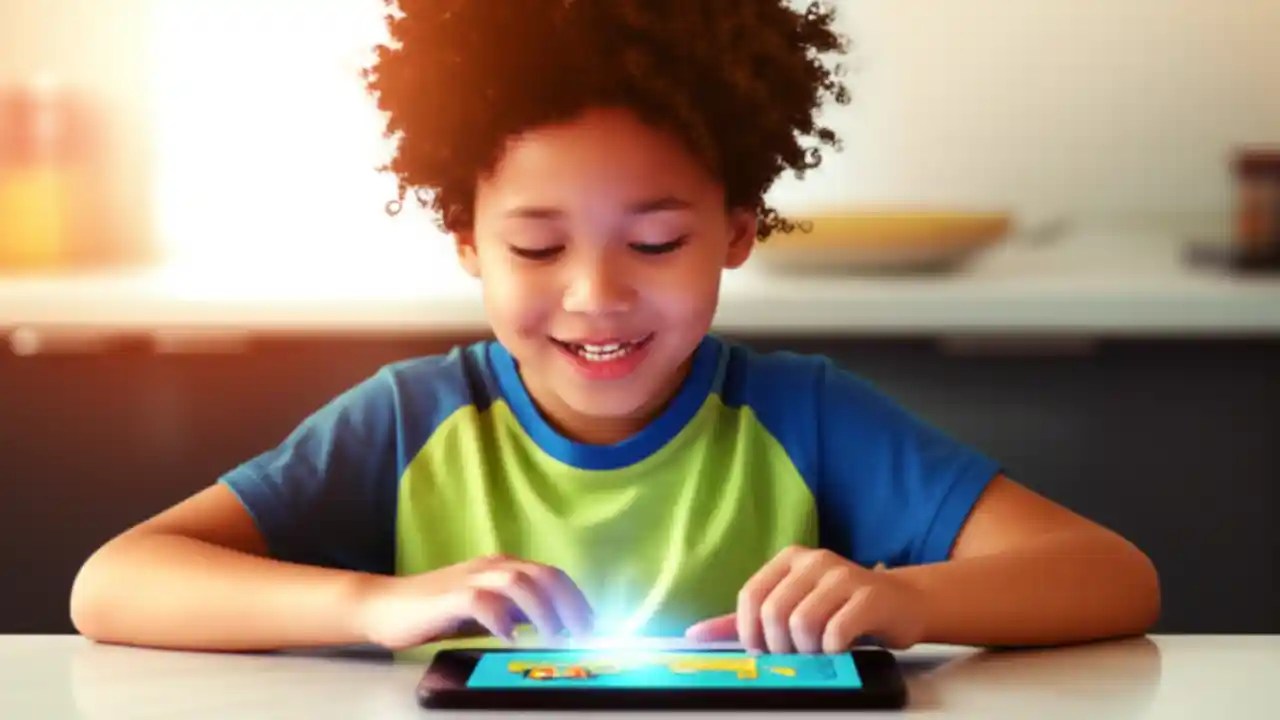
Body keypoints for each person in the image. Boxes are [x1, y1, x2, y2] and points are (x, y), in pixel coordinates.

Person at [70, 0, 1159, 656]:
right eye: (537, 249)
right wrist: (377, 605)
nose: (594, 296)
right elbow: (114, 582)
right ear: (466, 240)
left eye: (653, 244)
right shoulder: (409, 424)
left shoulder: (803, 418)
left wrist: (906, 598)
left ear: (735, 232)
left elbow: (1110, 575)